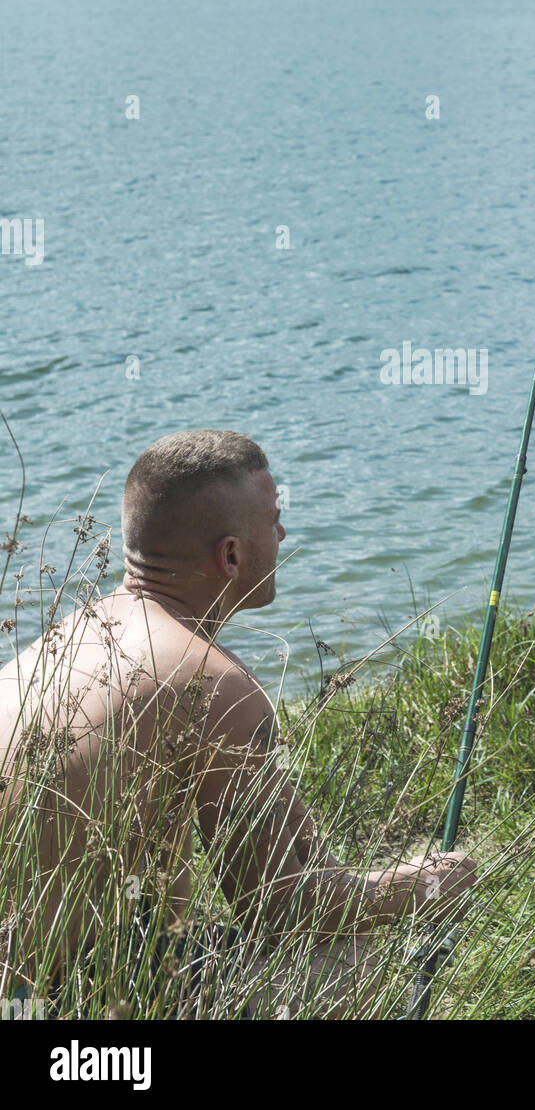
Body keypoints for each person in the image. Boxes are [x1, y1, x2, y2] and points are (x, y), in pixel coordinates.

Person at [0, 429, 476, 1018]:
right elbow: (285, 909)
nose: (283, 534)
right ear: (230, 555)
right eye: (274, 520)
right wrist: (428, 883)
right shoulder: (211, 682)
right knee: (354, 967)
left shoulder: (59, 645)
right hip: (49, 1006)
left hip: (31, 981)